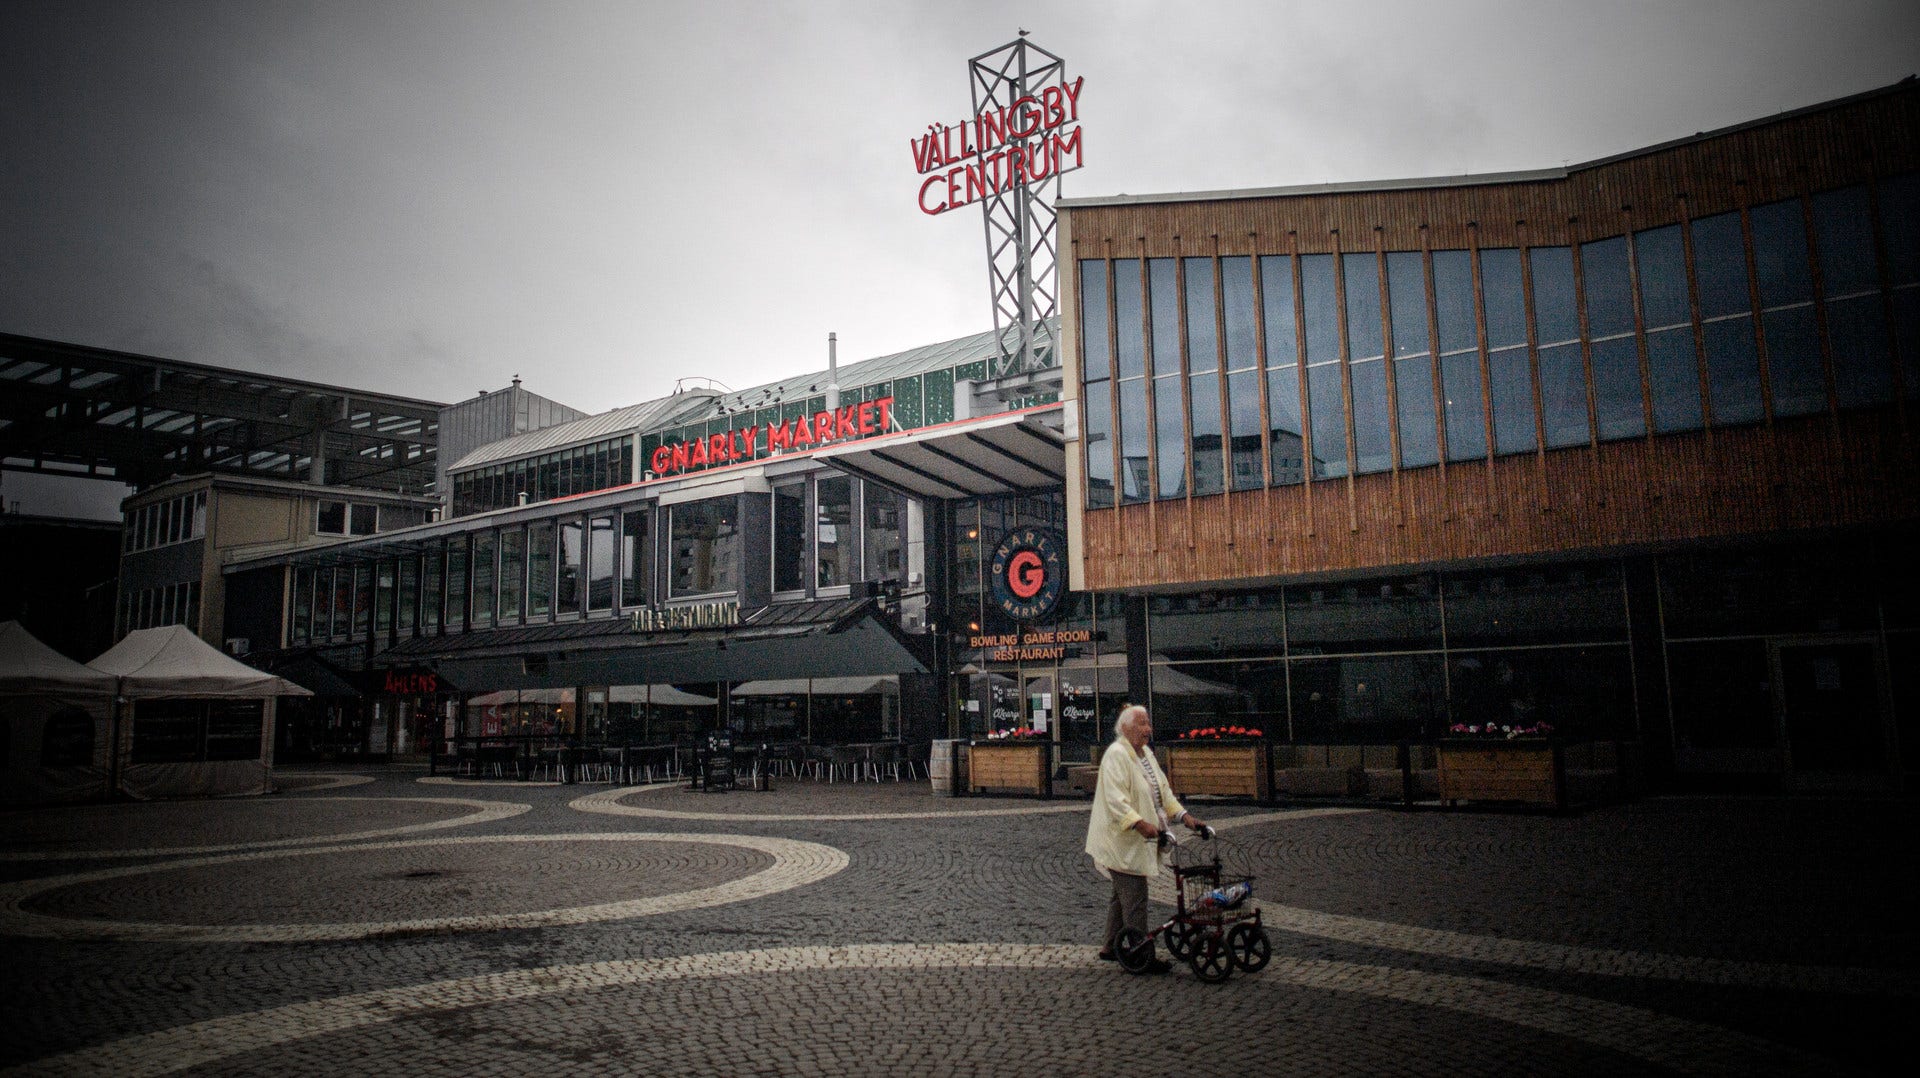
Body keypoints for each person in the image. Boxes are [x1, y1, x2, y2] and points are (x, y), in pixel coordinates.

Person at [1084, 704, 1207, 973]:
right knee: (1135, 898)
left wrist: (1184, 816)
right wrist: (1139, 823)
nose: (1148, 729)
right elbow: (1116, 801)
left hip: (1134, 840)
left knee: (1121, 895)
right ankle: (1141, 955)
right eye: (1142, 724)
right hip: (1120, 841)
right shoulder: (1116, 755)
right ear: (1126, 728)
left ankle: (1109, 947)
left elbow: (1163, 791)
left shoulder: (1146, 755)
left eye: (1148, 723)